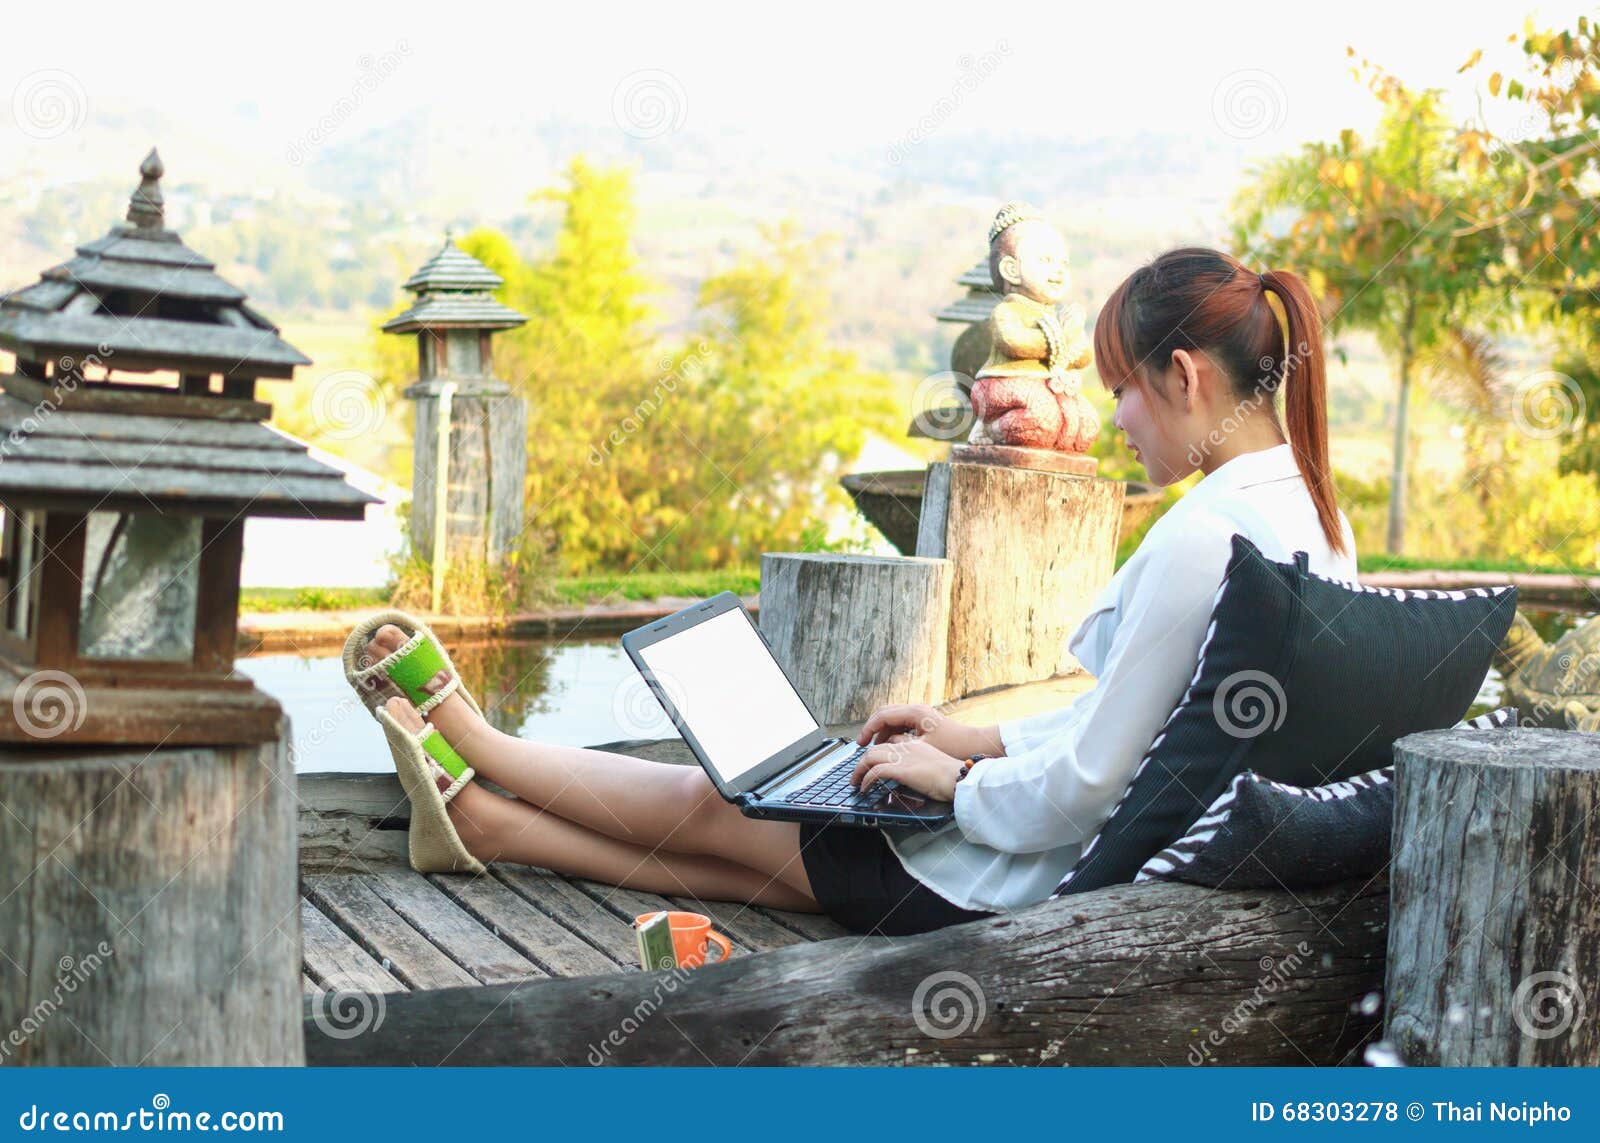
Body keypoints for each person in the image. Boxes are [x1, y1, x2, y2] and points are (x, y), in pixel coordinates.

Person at [357, 245, 1357, 938]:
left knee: (715, 801)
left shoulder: (1202, 536)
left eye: (1121, 391)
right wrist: (970, 737)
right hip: (1069, 867)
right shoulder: (1314, 511)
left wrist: (953, 785)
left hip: (1007, 884)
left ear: (1183, 376)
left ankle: (481, 743)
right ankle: (490, 826)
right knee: (759, 851)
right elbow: (1146, 732)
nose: (1118, 421)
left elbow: (1090, 783)